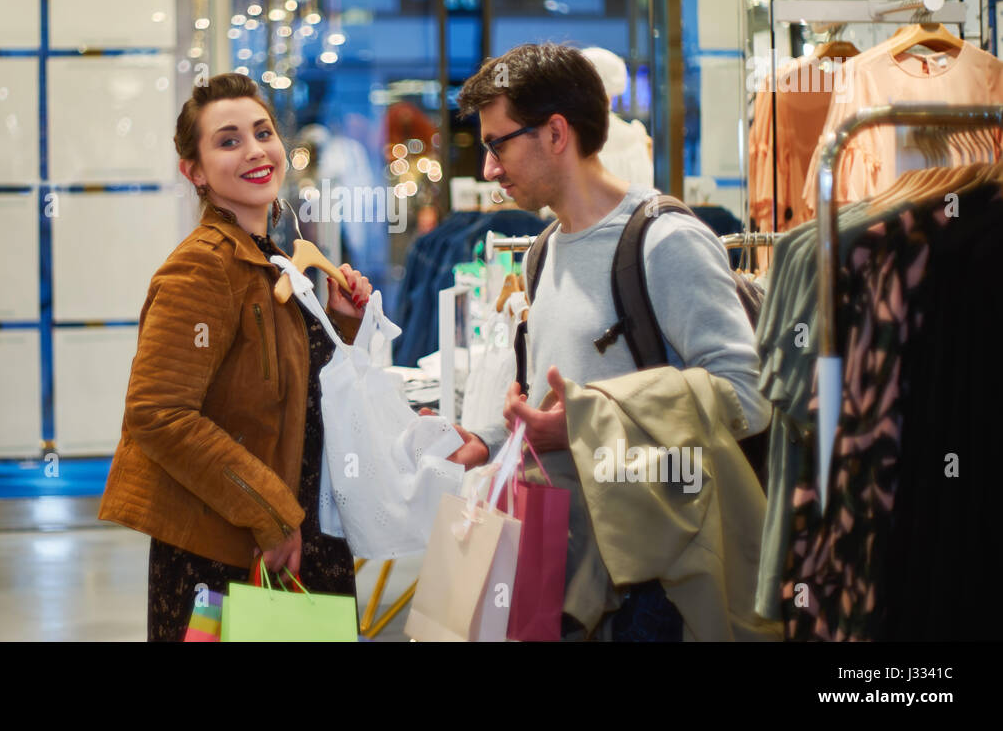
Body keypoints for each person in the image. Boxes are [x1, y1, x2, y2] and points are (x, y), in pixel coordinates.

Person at [447, 43, 769, 639]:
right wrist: (482, 439)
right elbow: (549, 399)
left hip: (655, 579)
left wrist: (588, 421)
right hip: (570, 569)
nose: (489, 169)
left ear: (556, 132)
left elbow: (746, 397)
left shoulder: (664, 240)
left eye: (498, 144)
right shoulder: (543, 251)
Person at [98, 72, 373, 642]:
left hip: (290, 536)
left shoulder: (269, 259)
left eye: (263, 132)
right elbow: (158, 413)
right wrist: (269, 514)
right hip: (231, 552)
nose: (254, 151)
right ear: (194, 171)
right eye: (228, 141)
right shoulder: (201, 268)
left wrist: (340, 324)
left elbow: (293, 398)